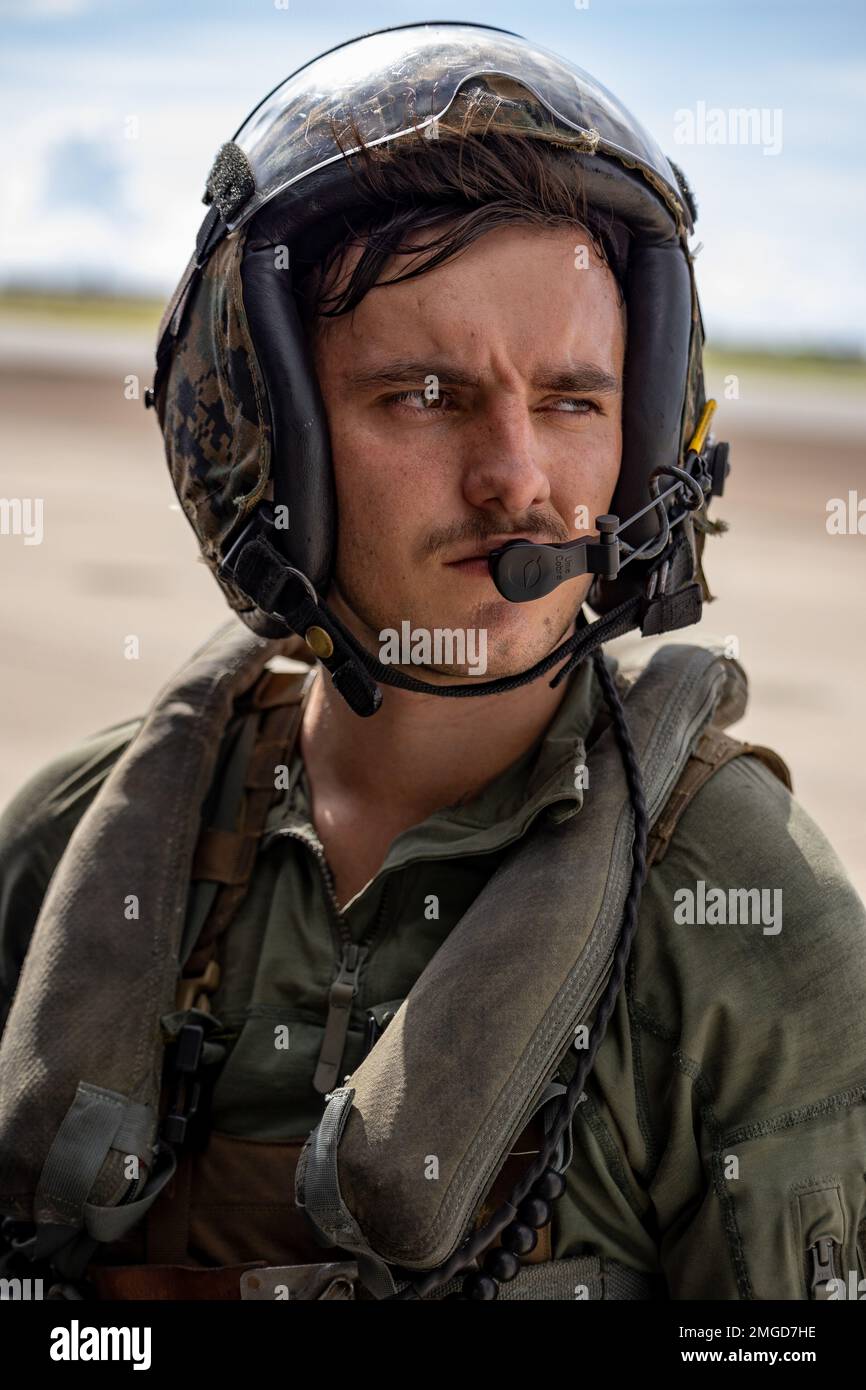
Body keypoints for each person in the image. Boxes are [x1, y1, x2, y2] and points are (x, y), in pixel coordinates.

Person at [1, 22, 864, 1303]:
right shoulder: (72, 845)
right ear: (261, 441)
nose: (518, 479)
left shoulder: (745, 915)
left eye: (573, 400)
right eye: (421, 395)